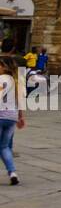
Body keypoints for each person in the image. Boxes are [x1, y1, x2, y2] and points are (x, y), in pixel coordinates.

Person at [0, 55, 24, 185]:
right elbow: (20, 101)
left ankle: (12, 172)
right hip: (11, 117)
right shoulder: (16, 80)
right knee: (4, 147)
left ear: (4, 67)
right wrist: (21, 117)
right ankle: (12, 172)